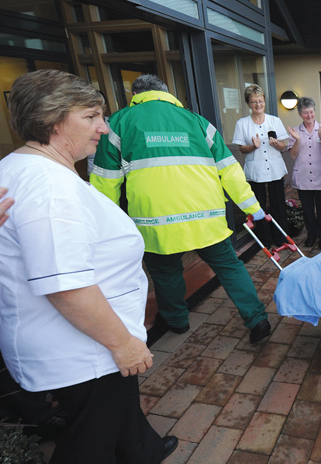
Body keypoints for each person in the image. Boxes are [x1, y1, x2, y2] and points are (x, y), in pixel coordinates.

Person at [0, 69, 177, 463]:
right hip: (86, 352)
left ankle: (141, 449)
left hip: (81, 345)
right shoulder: (50, 189)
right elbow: (66, 286)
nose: (104, 127)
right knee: (89, 442)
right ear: (53, 119)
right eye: (91, 116)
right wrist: (123, 344)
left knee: (116, 414)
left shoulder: (23, 167)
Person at [91, 74, 271, 343]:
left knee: (166, 273)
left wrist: (103, 227)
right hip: (207, 217)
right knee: (230, 268)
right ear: (167, 93)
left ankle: (176, 321)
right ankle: (258, 321)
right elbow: (230, 171)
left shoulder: (118, 123)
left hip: (156, 222)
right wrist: (252, 207)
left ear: (135, 96)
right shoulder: (198, 122)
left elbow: (106, 183)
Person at [233, 84, 290, 246]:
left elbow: (282, 146)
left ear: (264, 101)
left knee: (278, 204)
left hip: (275, 169)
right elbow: (242, 149)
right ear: (248, 104)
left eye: (260, 101)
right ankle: (264, 239)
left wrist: (276, 144)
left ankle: (280, 237)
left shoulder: (274, 120)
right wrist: (253, 146)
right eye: (253, 102)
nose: (258, 105)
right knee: (258, 205)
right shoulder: (242, 123)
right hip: (256, 170)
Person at [286, 97, 321, 249]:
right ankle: (311, 234)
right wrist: (297, 140)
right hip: (303, 177)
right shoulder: (295, 131)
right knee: (308, 211)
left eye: (311, 112)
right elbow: (292, 155)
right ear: (300, 114)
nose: (309, 116)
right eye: (306, 113)